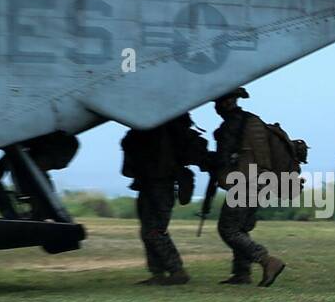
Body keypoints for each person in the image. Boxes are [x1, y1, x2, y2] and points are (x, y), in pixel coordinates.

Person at [120, 113, 209, 285]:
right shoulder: (149, 132)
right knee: (148, 231)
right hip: (150, 185)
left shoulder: (161, 131)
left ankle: (176, 270)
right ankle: (158, 273)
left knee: (155, 231)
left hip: (160, 186)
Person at [210, 88, 286, 287]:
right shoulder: (253, 121)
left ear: (226, 103)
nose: (217, 108)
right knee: (241, 227)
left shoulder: (231, 126)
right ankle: (241, 273)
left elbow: (222, 159)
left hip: (245, 183)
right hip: (262, 180)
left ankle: (267, 260)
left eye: (218, 104)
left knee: (228, 229)